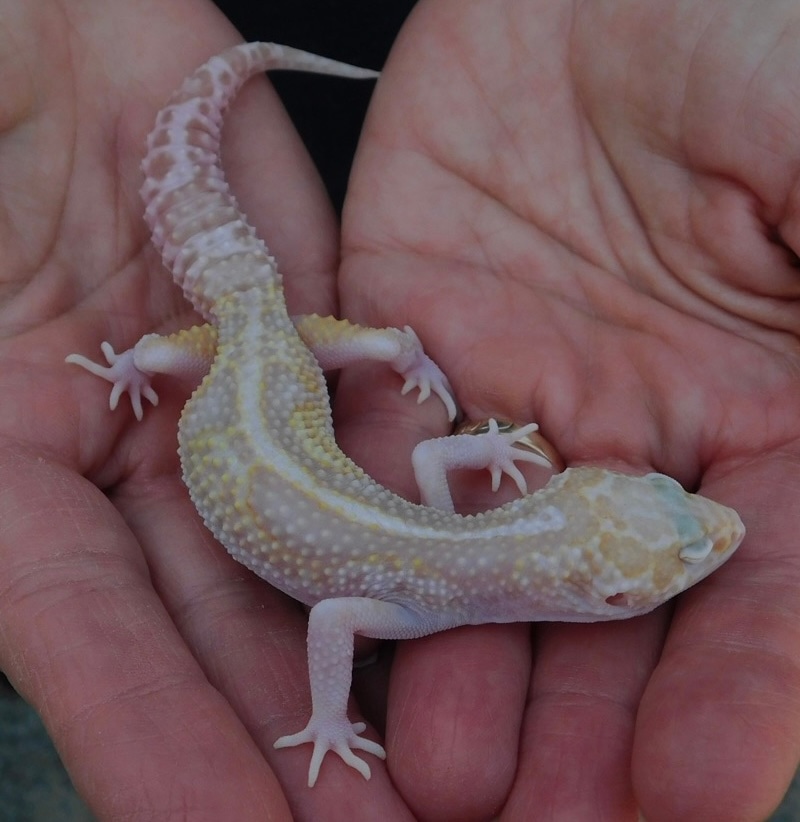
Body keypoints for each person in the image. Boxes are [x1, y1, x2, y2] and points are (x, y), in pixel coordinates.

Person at [1, 0, 797, 819]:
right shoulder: (428, 590)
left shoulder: (441, 564)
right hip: (256, 352)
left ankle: (160, 351)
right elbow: (340, 611)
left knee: (255, 327)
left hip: (259, 353)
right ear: (612, 598)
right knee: (234, 334)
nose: (721, 527)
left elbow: (388, 529)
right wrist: (325, 715)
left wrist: (476, 450)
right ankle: (149, 352)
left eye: (683, 539)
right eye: (687, 553)